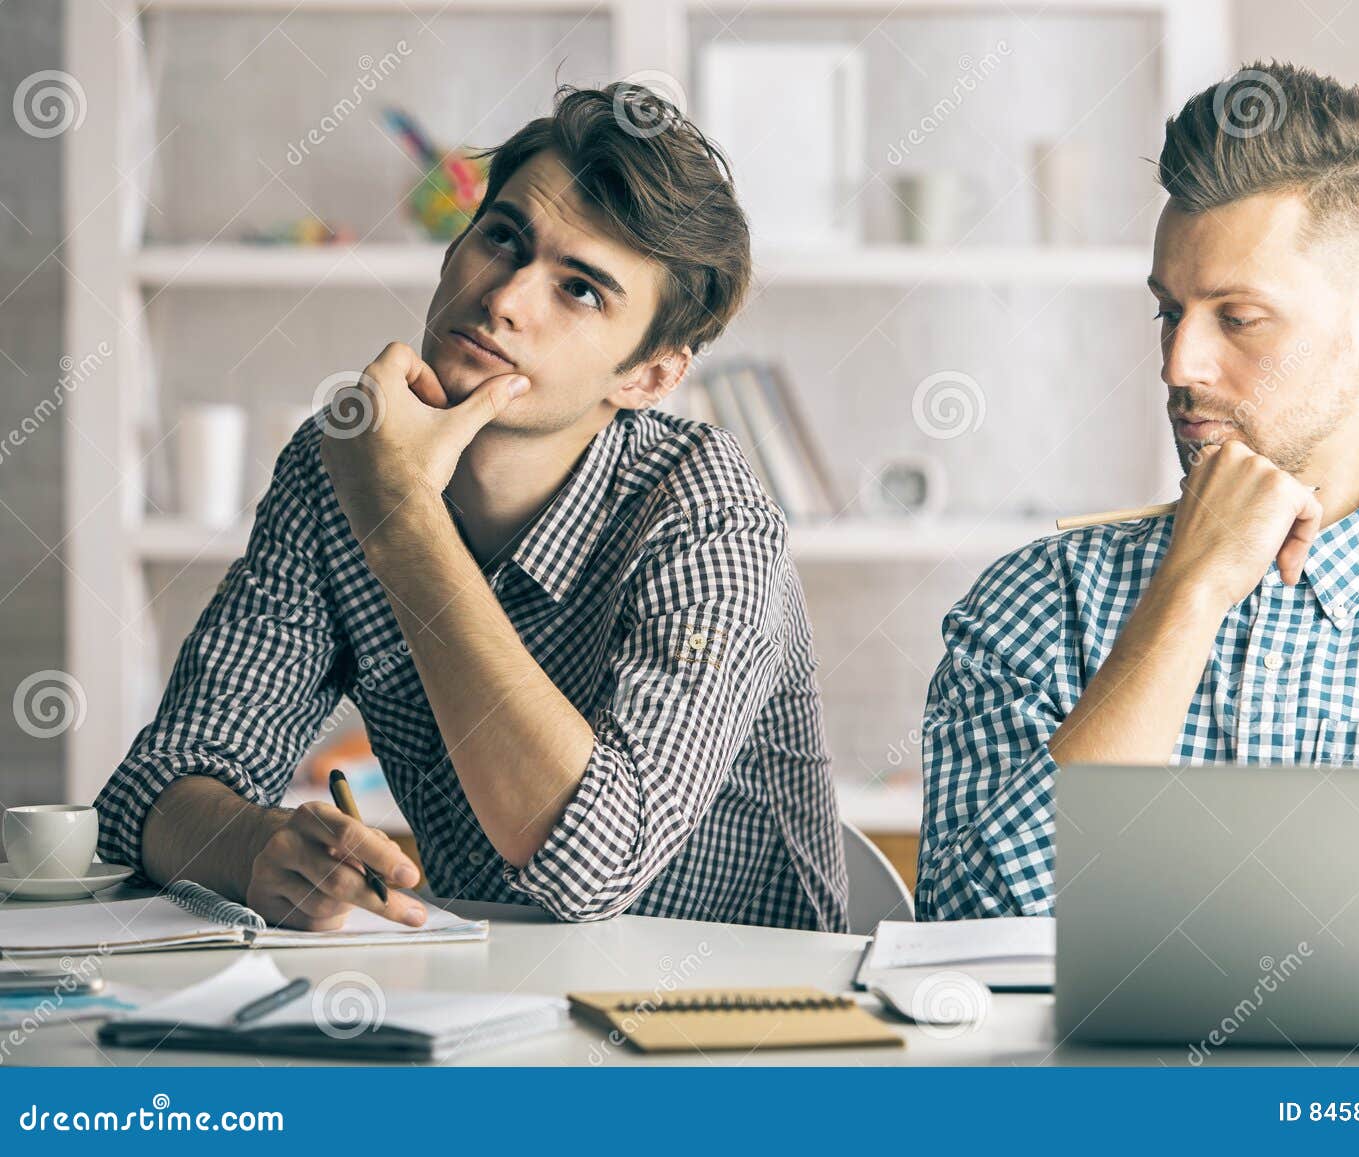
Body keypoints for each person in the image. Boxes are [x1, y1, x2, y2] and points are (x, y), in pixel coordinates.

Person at [95, 83, 846, 933]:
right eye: (502, 239)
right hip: (482, 999)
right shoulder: (335, 467)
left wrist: (401, 515)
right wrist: (256, 845)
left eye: (582, 291)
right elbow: (152, 789)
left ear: (651, 376)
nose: (507, 298)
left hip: (736, 1028)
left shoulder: (706, 514)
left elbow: (590, 865)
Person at [916, 61, 1359, 921]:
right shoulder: (1037, 602)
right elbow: (973, 932)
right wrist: (1188, 596)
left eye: (1236, 318)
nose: (1178, 364)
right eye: (1169, 312)